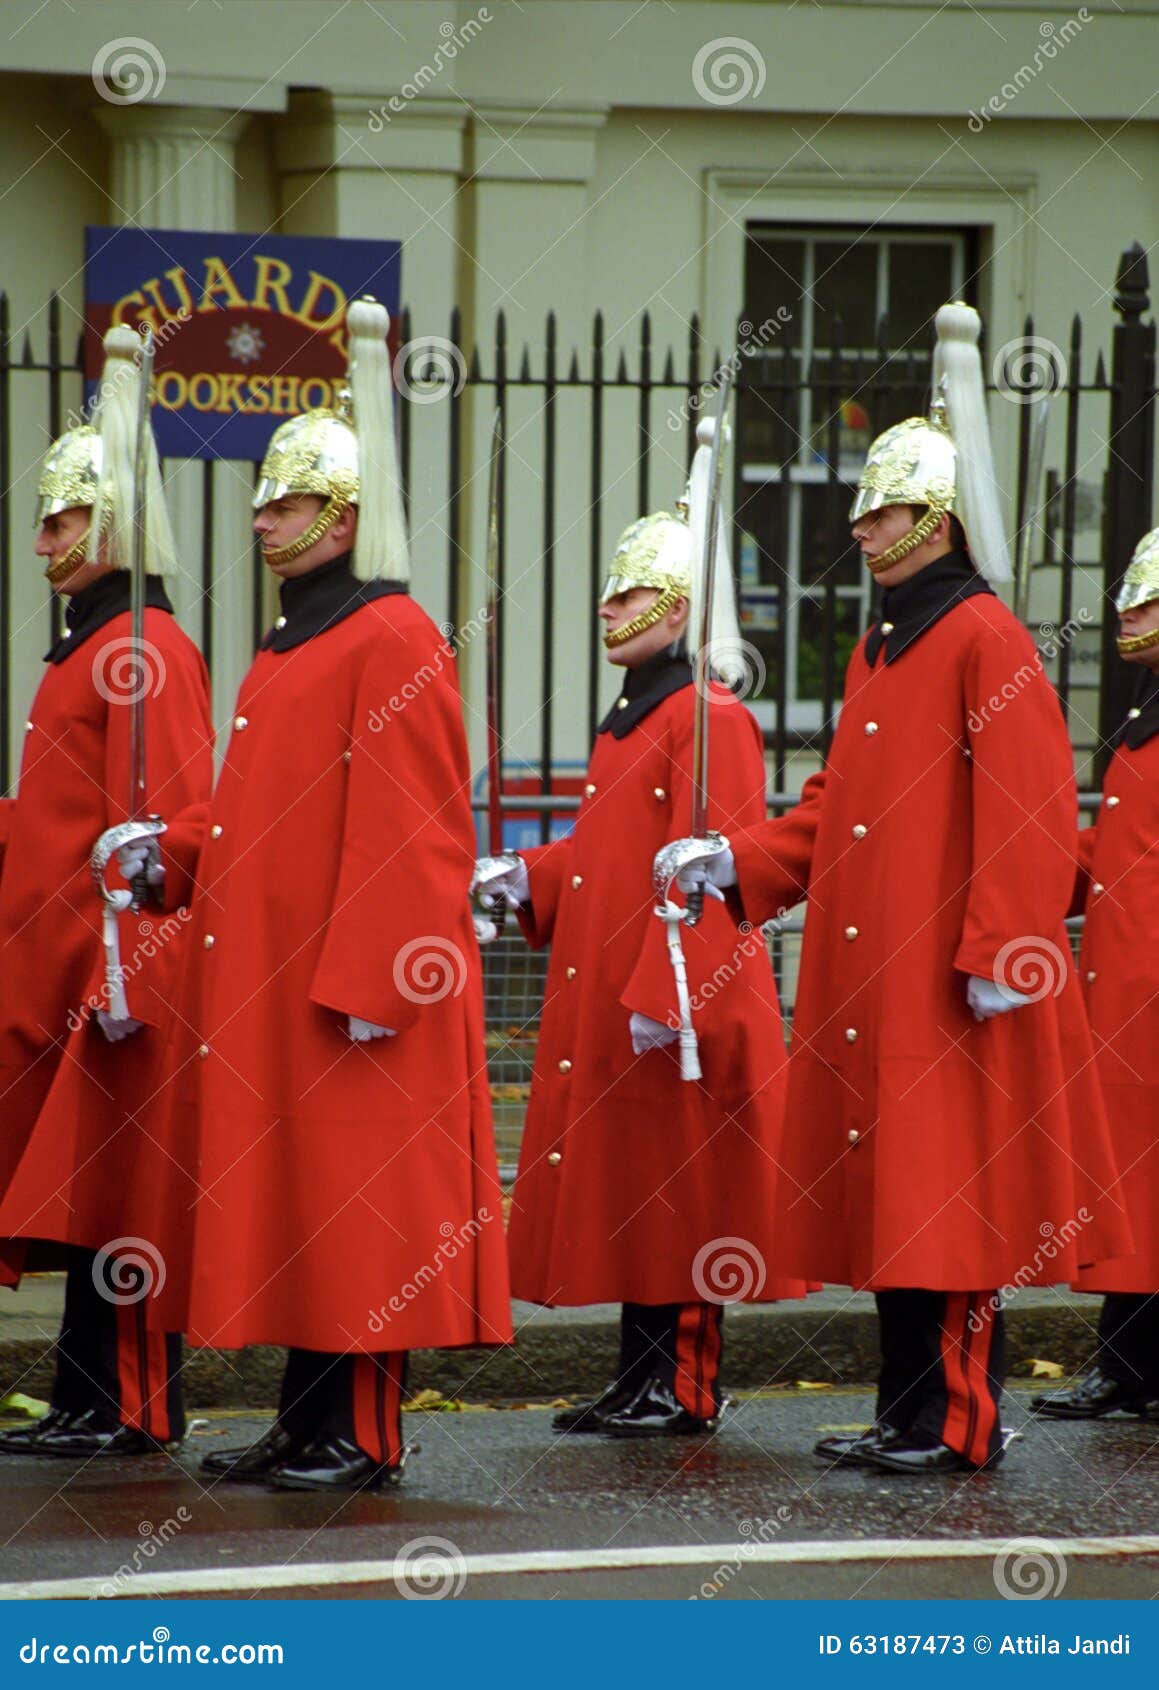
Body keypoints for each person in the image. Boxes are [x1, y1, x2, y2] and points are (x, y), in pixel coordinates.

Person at [662, 304, 1131, 1474]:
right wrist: (742, 861)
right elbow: (837, 808)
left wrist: (1000, 954)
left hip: (950, 984)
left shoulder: (986, 639)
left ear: (939, 519)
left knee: (952, 1208)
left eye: (889, 510)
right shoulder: (884, 650)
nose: (864, 527)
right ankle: (903, 1408)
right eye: (862, 509)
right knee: (896, 1203)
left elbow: (1028, 815)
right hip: (876, 978)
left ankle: (957, 1417)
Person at [141, 298, 511, 1493]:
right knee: (306, 1208)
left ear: (345, 515)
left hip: (358, 987)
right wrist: (172, 854)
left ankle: (362, 1429)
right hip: (275, 978)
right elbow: (262, 822)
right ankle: (307, 1420)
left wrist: (375, 978)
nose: (263, 521)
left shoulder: (392, 635)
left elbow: (416, 832)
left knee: (361, 1216)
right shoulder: (289, 644)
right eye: (259, 503)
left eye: (287, 503)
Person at [474, 420, 807, 1439]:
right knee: (638, 1196)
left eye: (627, 593)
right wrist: (521, 878)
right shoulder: (631, 722)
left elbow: (711, 866)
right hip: (622, 992)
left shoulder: (712, 717)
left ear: (675, 605)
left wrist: (679, 1001)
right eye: (609, 592)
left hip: (675, 1000)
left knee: (685, 1197)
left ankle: (684, 1381)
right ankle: (638, 1373)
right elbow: (605, 858)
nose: (608, 608)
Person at [0, 325, 214, 1458]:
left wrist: (133, 949)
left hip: (118, 964)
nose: (45, 536)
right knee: (79, 1192)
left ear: (115, 521)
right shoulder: (79, 651)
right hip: (60, 958)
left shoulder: (146, 645)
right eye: (42, 517)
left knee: (121, 1190)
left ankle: (130, 1400)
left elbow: (177, 817)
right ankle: (86, 1393)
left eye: (66, 515)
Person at [1032, 526, 1159, 1422]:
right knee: (1129, 1182)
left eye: (1148, 601)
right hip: (1125, 988)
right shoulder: (1142, 717)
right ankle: (1128, 1364)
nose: (1129, 613)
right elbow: (1116, 850)